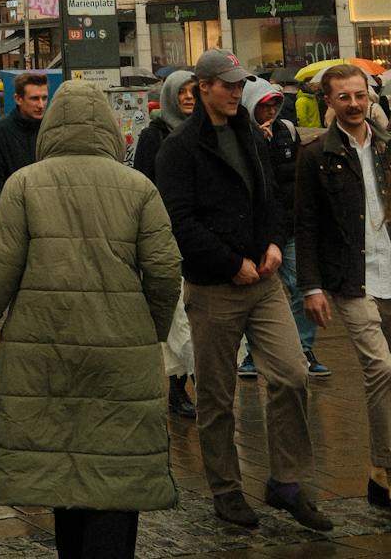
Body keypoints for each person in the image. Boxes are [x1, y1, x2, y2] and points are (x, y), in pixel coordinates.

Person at [0, 81, 181, 559]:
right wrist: (148, 329)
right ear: (108, 128)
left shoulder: (24, 184)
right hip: (121, 347)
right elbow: (164, 269)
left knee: (62, 464)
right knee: (116, 465)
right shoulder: (138, 187)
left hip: (43, 347)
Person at [155, 50, 331, 533]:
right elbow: (179, 221)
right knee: (216, 395)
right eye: (227, 85)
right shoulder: (180, 147)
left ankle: (287, 482)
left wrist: (275, 242)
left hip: (265, 280)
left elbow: (272, 195)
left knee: (292, 374)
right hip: (215, 286)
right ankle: (226, 488)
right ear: (203, 86)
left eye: (239, 85)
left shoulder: (250, 133)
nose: (236, 92)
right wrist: (230, 262)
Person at [296, 62, 391, 512]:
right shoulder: (316, 155)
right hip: (352, 280)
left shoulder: (387, 147)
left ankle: (379, 475)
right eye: (344, 98)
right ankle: (387, 471)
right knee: (381, 368)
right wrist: (311, 286)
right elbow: (307, 226)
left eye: (360, 95)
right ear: (329, 103)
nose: (354, 105)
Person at [239, 78, 325, 378]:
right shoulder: (242, 137)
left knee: (305, 287)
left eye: (275, 104)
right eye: (265, 106)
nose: (271, 111)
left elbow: (297, 176)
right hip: (258, 232)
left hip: (288, 227)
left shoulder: (287, 131)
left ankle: (303, 347)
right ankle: (252, 354)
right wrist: (257, 145)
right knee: (255, 295)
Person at [131, 68, 197, 419]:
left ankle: (193, 374)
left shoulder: (205, 132)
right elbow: (143, 185)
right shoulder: (153, 136)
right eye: (182, 92)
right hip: (165, 236)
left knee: (195, 314)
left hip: (198, 236)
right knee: (175, 315)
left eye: (193, 91)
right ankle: (176, 386)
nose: (188, 97)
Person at [0, 71, 48, 220]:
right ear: (18, 99)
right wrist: (1, 222)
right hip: (13, 218)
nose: (41, 105)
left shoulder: (51, 129)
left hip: (47, 219)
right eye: (35, 98)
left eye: (44, 98)